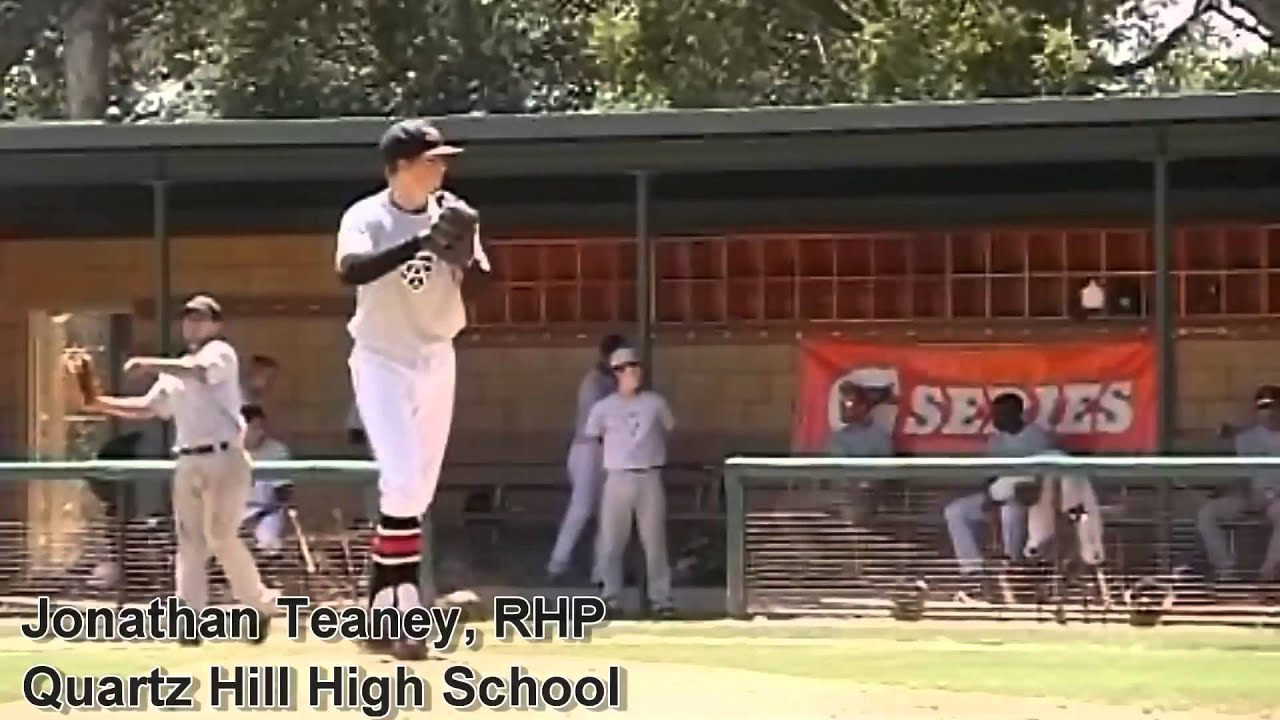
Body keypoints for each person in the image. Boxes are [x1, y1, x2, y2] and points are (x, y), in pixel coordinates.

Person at [335, 118, 490, 660]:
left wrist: (464, 253)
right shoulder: (367, 216)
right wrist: (417, 244)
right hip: (381, 358)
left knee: (416, 496)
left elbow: (490, 284)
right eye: (431, 159)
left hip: (436, 355)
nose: (441, 167)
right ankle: (403, 614)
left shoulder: (452, 211)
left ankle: (380, 613)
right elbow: (351, 271)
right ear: (400, 166)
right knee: (400, 483)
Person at [86, 294, 275, 645]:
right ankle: (189, 620)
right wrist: (99, 403)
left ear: (216, 324)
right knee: (189, 543)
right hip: (188, 458)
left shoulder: (220, 352)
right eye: (189, 318)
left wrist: (149, 363)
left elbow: (201, 373)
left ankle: (258, 605)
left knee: (220, 536)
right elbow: (147, 407)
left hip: (225, 456)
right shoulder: (175, 369)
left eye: (202, 318)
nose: (194, 323)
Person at [584, 347, 676, 618]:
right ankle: (611, 597)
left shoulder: (655, 402)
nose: (632, 372)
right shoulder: (602, 408)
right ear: (615, 374)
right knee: (612, 542)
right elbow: (594, 438)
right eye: (625, 368)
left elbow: (669, 428)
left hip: (648, 475)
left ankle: (661, 598)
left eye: (636, 366)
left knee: (655, 541)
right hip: (617, 476)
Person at [943, 392, 1053, 601]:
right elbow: (989, 477)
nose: (995, 419)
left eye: (1001, 414)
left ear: (1017, 413)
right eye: (994, 414)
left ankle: (1012, 570)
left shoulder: (1037, 437)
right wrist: (989, 496)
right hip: (997, 496)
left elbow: (1044, 478)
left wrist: (1017, 492)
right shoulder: (996, 441)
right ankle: (973, 573)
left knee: (1009, 511)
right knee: (956, 511)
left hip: (1031, 503)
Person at [546, 333, 629, 583]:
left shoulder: (618, 382)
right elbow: (598, 422)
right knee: (582, 506)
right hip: (588, 449)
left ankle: (602, 572)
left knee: (608, 512)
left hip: (610, 452)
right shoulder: (593, 382)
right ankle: (557, 564)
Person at [1198, 385, 1280, 584]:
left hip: (1277, 499)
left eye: (1272, 406)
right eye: (1262, 407)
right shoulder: (1247, 437)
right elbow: (1242, 472)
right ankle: (1226, 572)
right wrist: (1233, 491)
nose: (1267, 412)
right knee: (1208, 513)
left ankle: (1268, 574)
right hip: (1251, 496)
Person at [826, 381, 894, 522]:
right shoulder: (838, 437)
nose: (842, 408)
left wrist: (863, 484)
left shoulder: (880, 437)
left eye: (848, 404)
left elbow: (883, 475)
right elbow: (833, 471)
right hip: (838, 495)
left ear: (863, 407)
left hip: (867, 498)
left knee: (853, 509)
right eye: (841, 404)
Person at [240, 405, 293, 555]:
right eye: (254, 428)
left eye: (261, 427)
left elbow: (284, 490)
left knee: (268, 544)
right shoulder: (225, 451)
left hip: (265, 513)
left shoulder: (276, 450)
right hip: (229, 515)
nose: (261, 432)